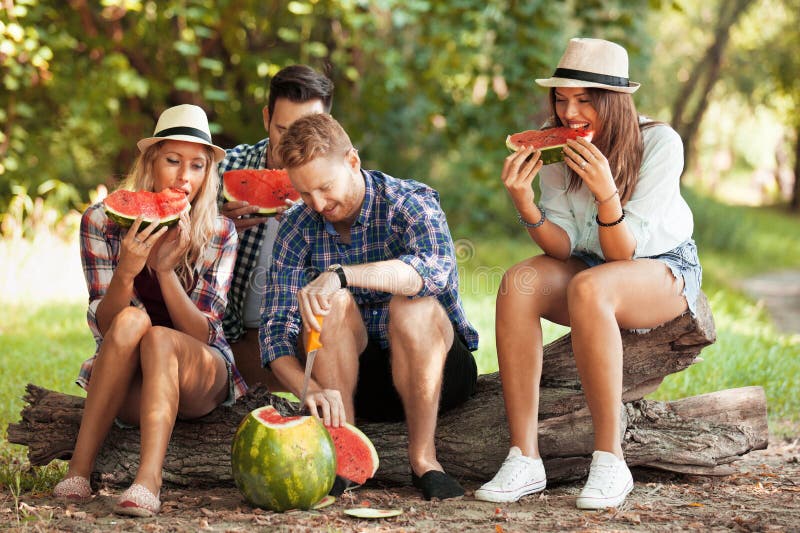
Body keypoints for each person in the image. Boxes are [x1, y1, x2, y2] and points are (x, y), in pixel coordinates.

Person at [474, 38, 702, 509]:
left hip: (659, 266)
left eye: (584, 99)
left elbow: (623, 253)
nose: (569, 113)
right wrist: (525, 202)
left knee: (591, 285)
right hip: (589, 264)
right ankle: (524, 458)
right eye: (561, 99)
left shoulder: (660, 143)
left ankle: (610, 459)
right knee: (519, 282)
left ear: (613, 100)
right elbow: (560, 244)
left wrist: (606, 195)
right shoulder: (559, 143)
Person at [260, 113, 480, 500]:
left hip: (438, 372)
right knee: (331, 303)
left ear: (353, 162)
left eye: (325, 188)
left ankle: (425, 461)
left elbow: (433, 273)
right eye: (305, 194)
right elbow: (276, 333)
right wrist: (306, 388)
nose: (318, 203)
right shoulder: (297, 227)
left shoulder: (409, 201)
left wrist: (343, 273)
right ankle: (343, 458)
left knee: (411, 305)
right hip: (352, 383)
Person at [52, 104, 244, 517]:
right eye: (173, 161)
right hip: (129, 379)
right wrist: (126, 271)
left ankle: (148, 480)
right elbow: (106, 328)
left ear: (209, 171)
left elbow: (203, 333)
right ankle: (79, 469)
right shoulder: (101, 221)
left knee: (159, 337)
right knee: (131, 320)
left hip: (199, 375)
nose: (184, 177)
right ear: (151, 160)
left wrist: (164, 272)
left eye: (197, 165)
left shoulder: (219, 231)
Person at [219, 65, 334, 390]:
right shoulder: (225, 169)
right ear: (266, 117)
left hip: (310, 337)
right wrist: (218, 231)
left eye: (307, 131)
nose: (291, 146)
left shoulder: (337, 185)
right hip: (237, 339)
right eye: (283, 130)